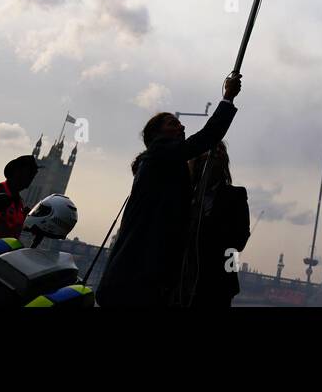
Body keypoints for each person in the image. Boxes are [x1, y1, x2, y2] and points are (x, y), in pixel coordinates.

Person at [96, 72, 241, 307]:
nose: (181, 126)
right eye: (173, 123)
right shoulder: (161, 152)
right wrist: (228, 98)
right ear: (157, 135)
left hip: (150, 275)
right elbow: (204, 139)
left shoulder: (163, 167)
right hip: (142, 273)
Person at [183, 141, 251, 307]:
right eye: (209, 150)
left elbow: (238, 242)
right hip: (180, 280)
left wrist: (228, 281)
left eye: (220, 150)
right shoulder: (184, 194)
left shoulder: (236, 195)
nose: (215, 154)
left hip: (217, 285)